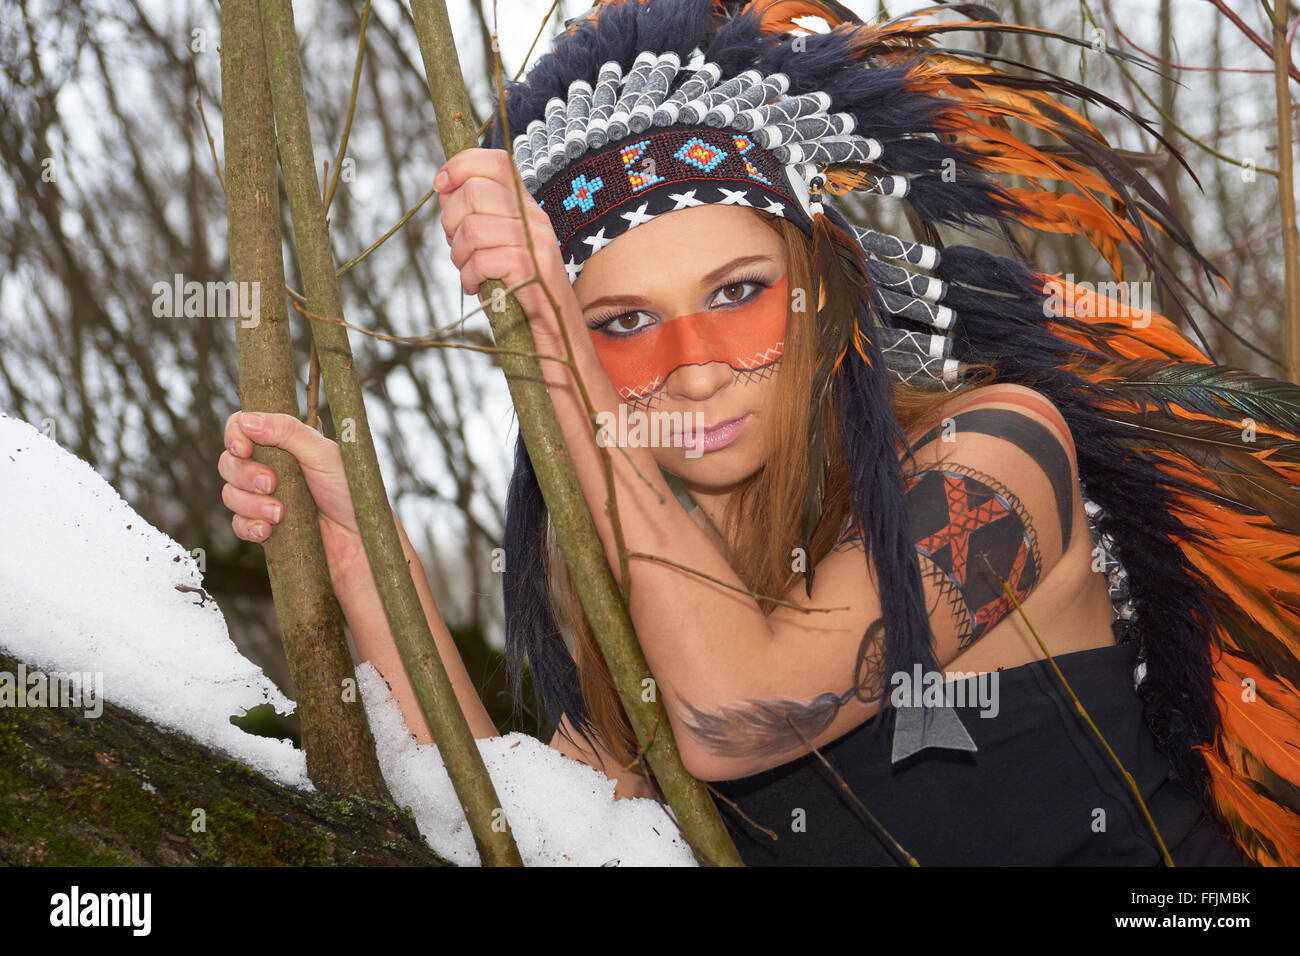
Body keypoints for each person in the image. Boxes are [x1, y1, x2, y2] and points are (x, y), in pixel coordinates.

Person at [219, 0, 1300, 865]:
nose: (692, 361)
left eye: (737, 291)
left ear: (819, 297)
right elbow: (518, 833)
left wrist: (557, 354)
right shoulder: (649, 597)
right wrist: (371, 564)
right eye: (623, 322)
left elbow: (739, 706)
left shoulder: (999, 451)